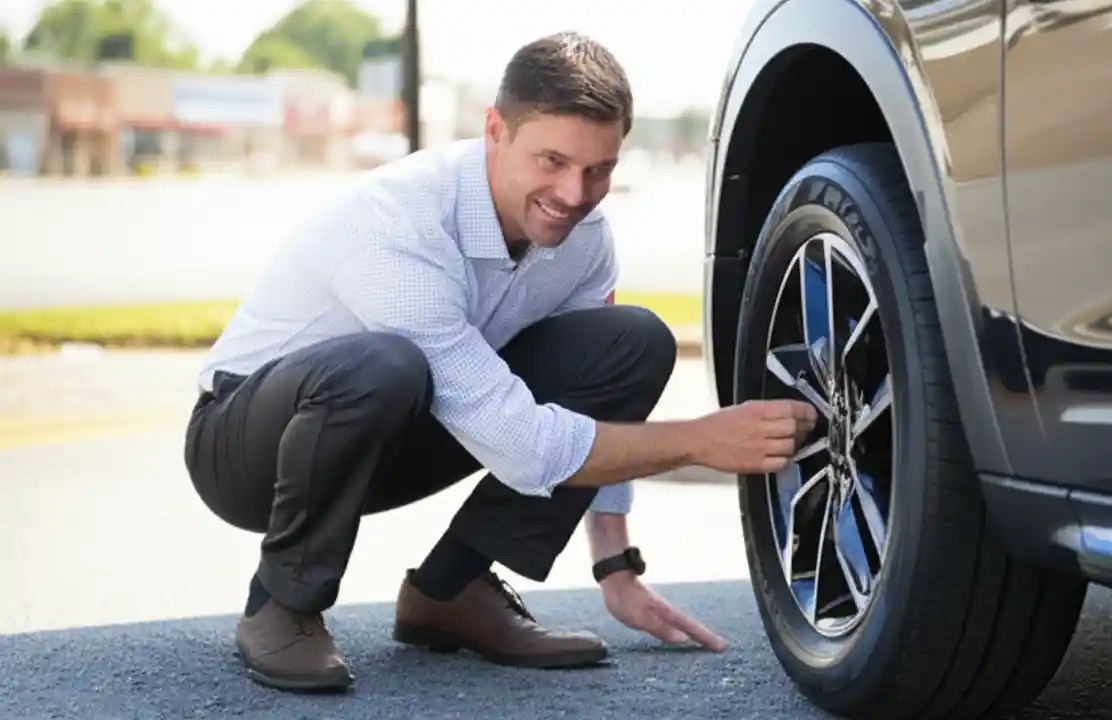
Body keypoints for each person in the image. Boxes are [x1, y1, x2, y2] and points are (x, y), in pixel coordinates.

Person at [182, 31, 817, 693]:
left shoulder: (585, 239)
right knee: (386, 365)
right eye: (552, 160)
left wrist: (615, 565)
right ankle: (281, 605)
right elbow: (523, 445)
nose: (574, 193)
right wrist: (701, 441)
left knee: (633, 342)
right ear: (495, 130)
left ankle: (451, 591)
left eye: (599, 169)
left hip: (402, 429)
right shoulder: (397, 223)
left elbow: (593, 395)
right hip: (250, 449)